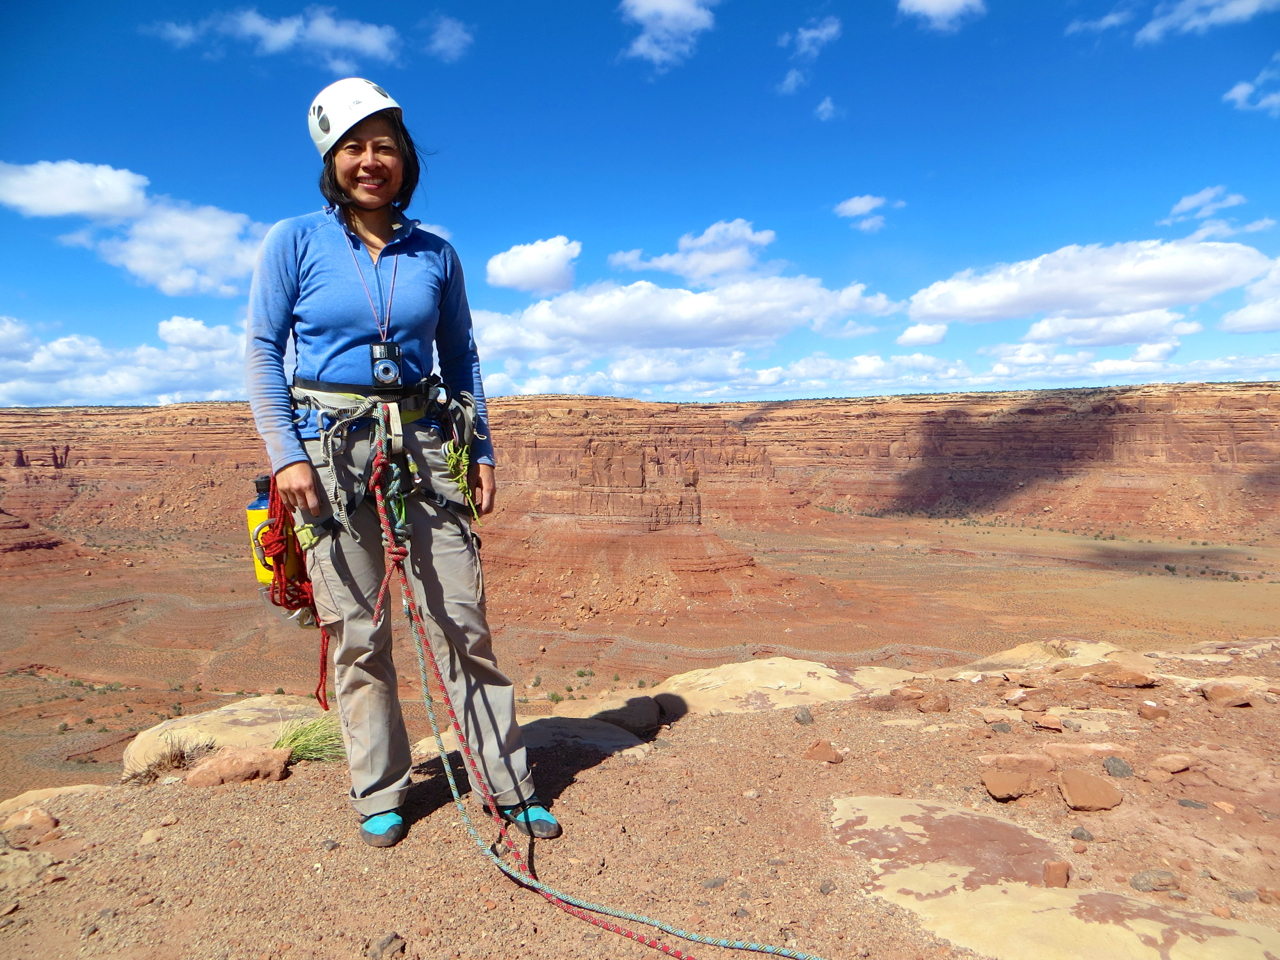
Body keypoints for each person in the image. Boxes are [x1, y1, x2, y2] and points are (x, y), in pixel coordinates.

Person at [245, 77, 561, 847]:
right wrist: (287, 456)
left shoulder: (436, 254)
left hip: (425, 447)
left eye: (384, 144)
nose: (370, 160)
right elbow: (261, 350)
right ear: (332, 160)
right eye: (353, 146)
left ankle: (508, 785)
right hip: (330, 453)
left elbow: (462, 359)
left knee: (463, 621)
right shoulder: (294, 241)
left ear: (404, 157)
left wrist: (480, 446)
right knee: (358, 630)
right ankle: (380, 789)